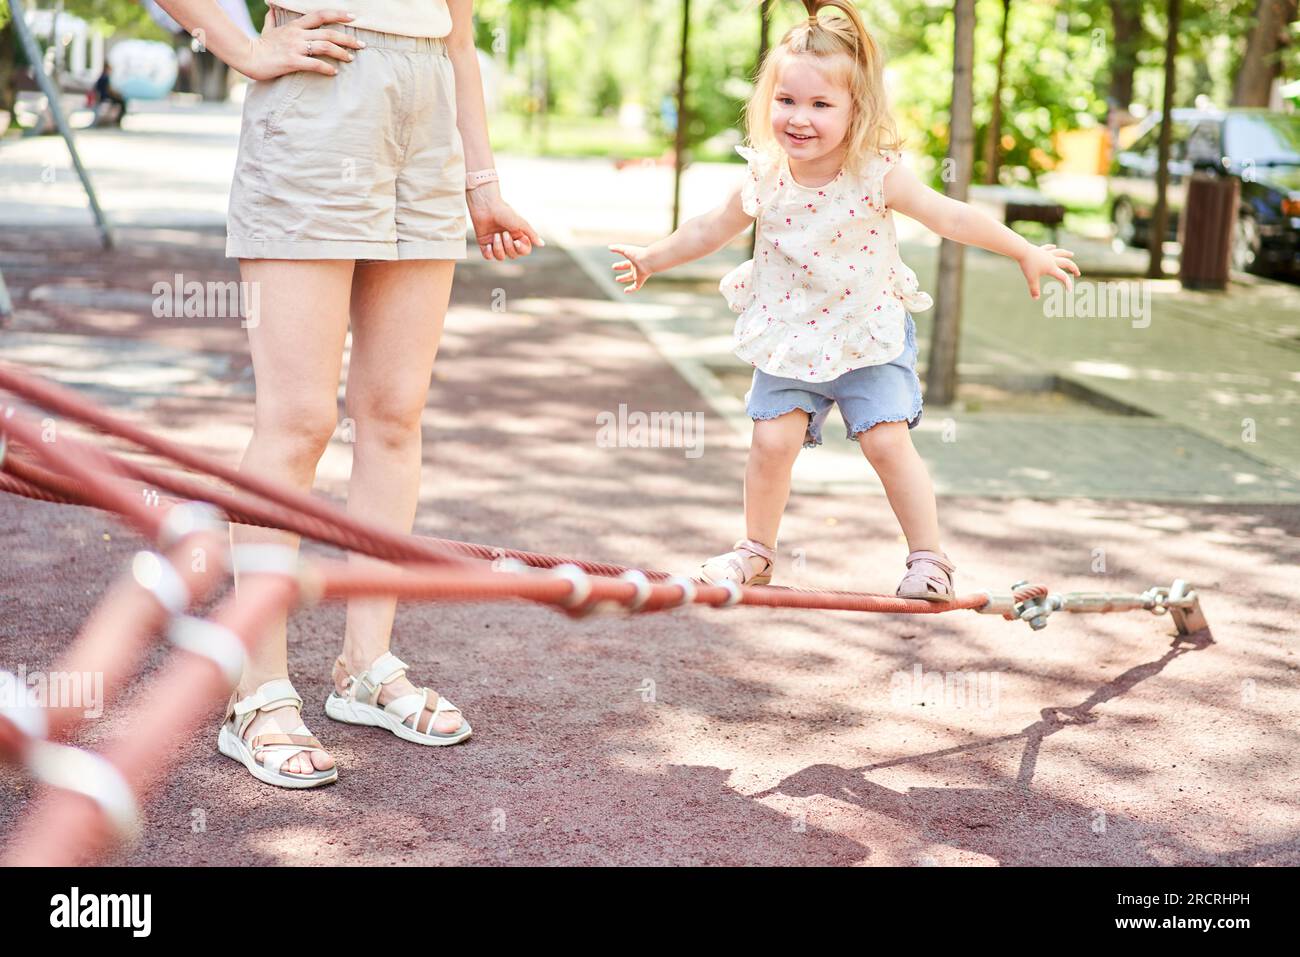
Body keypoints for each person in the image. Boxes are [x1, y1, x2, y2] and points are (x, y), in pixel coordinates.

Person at [155, 0, 542, 787]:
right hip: (321, 95)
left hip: (426, 107)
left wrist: (482, 179)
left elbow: (458, 35)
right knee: (298, 419)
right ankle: (256, 694)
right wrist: (238, 45)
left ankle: (365, 666)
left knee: (395, 414)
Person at [608, 0, 1079, 601]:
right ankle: (755, 551)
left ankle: (930, 559)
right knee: (771, 441)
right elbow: (708, 228)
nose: (799, 118)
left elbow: (950, 215)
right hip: (789, 333)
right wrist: (653, 257)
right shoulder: (766, 176)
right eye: (786, 101)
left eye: (820, 104)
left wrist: (1022, 250)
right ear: (767, 103)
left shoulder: (874, 175)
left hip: (866, 333)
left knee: (885, 440)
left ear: (857, 111)